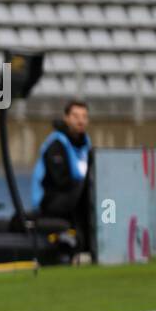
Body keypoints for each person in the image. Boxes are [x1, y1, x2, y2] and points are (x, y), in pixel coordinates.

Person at [30, 99, 92, 237]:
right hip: (49, 199)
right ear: (66, 118)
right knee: (84, 195)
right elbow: (61, 182)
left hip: (71, 195)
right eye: (76, 116)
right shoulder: (56, 145)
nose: (80, 121)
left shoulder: (86, 143)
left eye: (84, 116)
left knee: (104, 198)